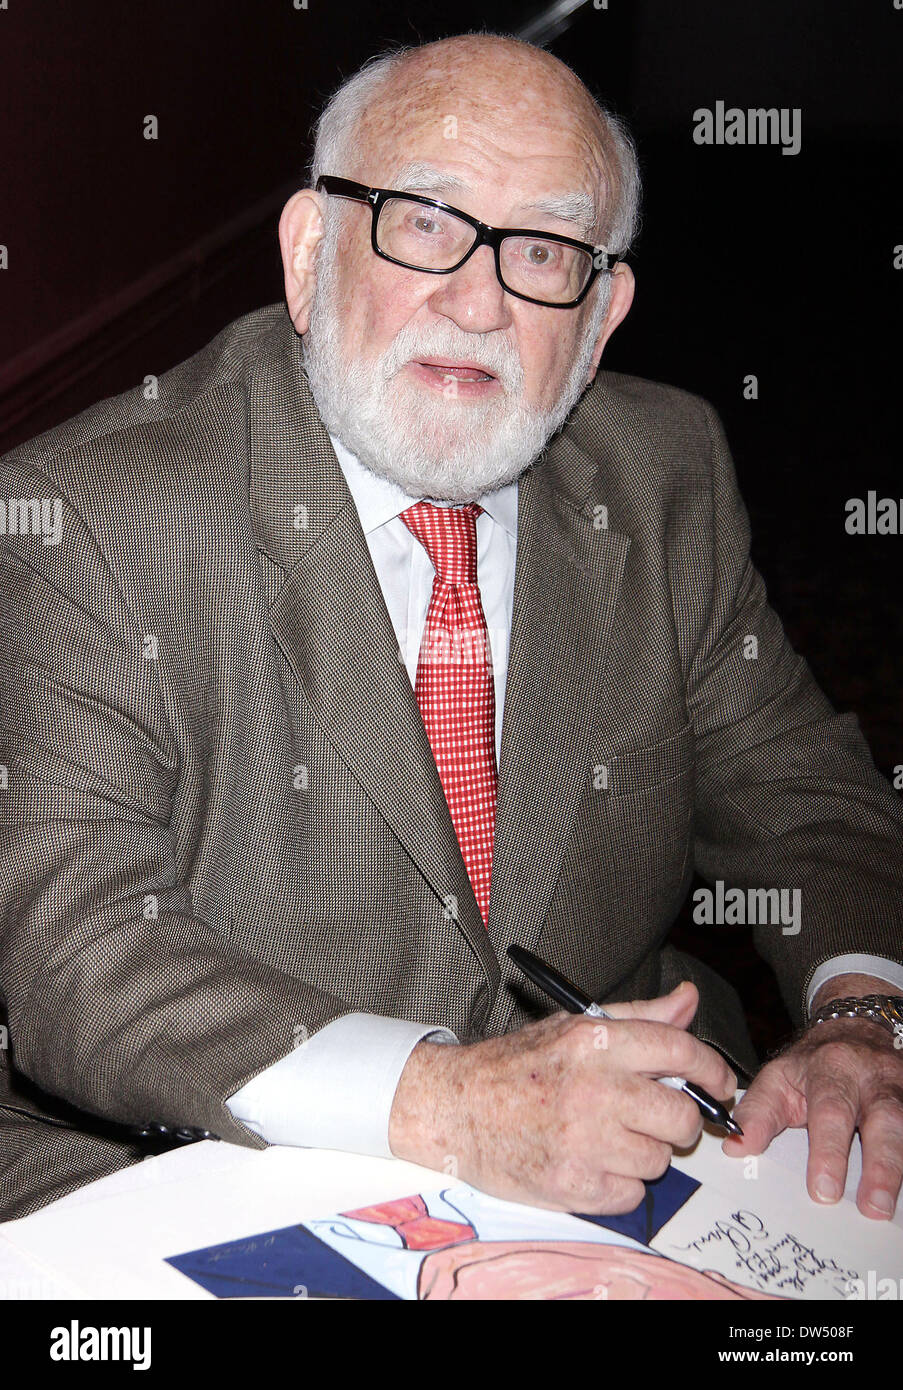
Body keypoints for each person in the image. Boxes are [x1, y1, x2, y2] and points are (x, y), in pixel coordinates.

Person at [1, 32, 902, 1225]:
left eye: (541, 248)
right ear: (311, 249)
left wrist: (861, 1015)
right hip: (203, 1178)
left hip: (629, 1173)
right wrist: (450, 1103)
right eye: (424, 220)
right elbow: (81, 956)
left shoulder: (664, 469)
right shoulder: (86, 521)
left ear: (601, 313)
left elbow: (805, 798)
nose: (479, 300)